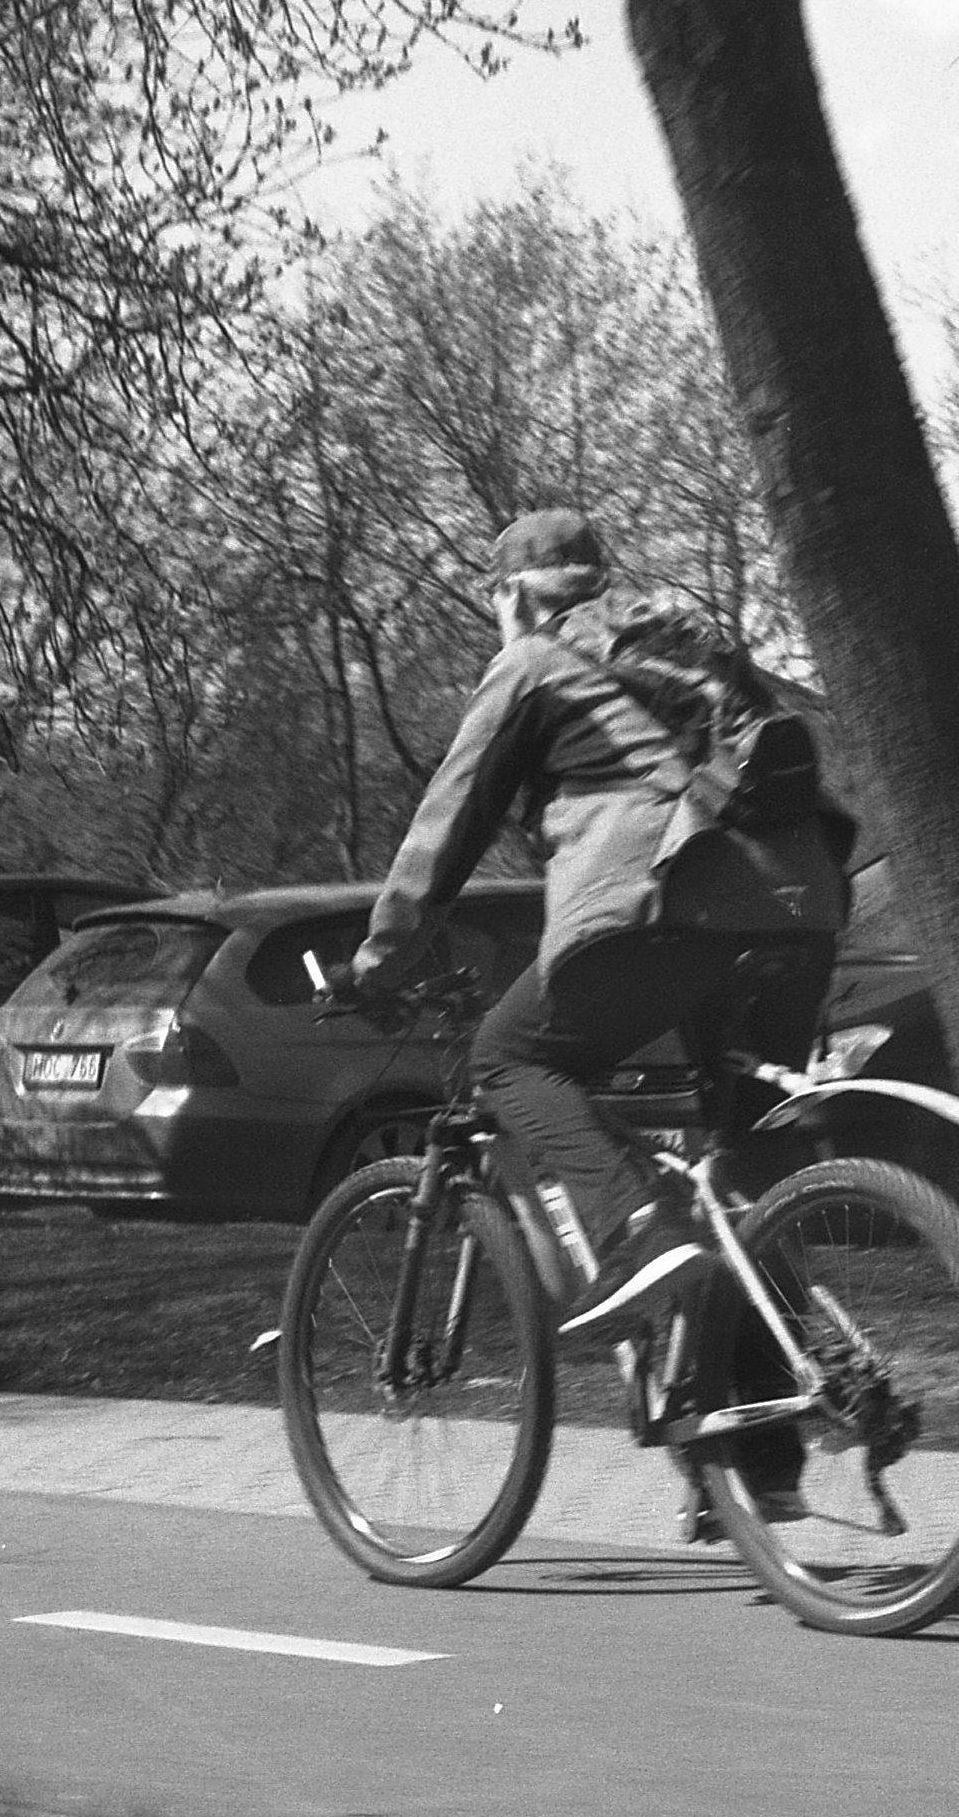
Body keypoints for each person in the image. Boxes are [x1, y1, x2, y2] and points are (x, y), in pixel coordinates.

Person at [345, 508, 855, 1342]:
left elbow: (447, 826)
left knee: (507, 1060)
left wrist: (380, 960)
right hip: (800, 913)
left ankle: (638, 1228)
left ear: (509, 593)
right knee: (746, 1174)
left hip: (665, 903)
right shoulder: (686, 650)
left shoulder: (531, 664)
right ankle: (782, 1427)